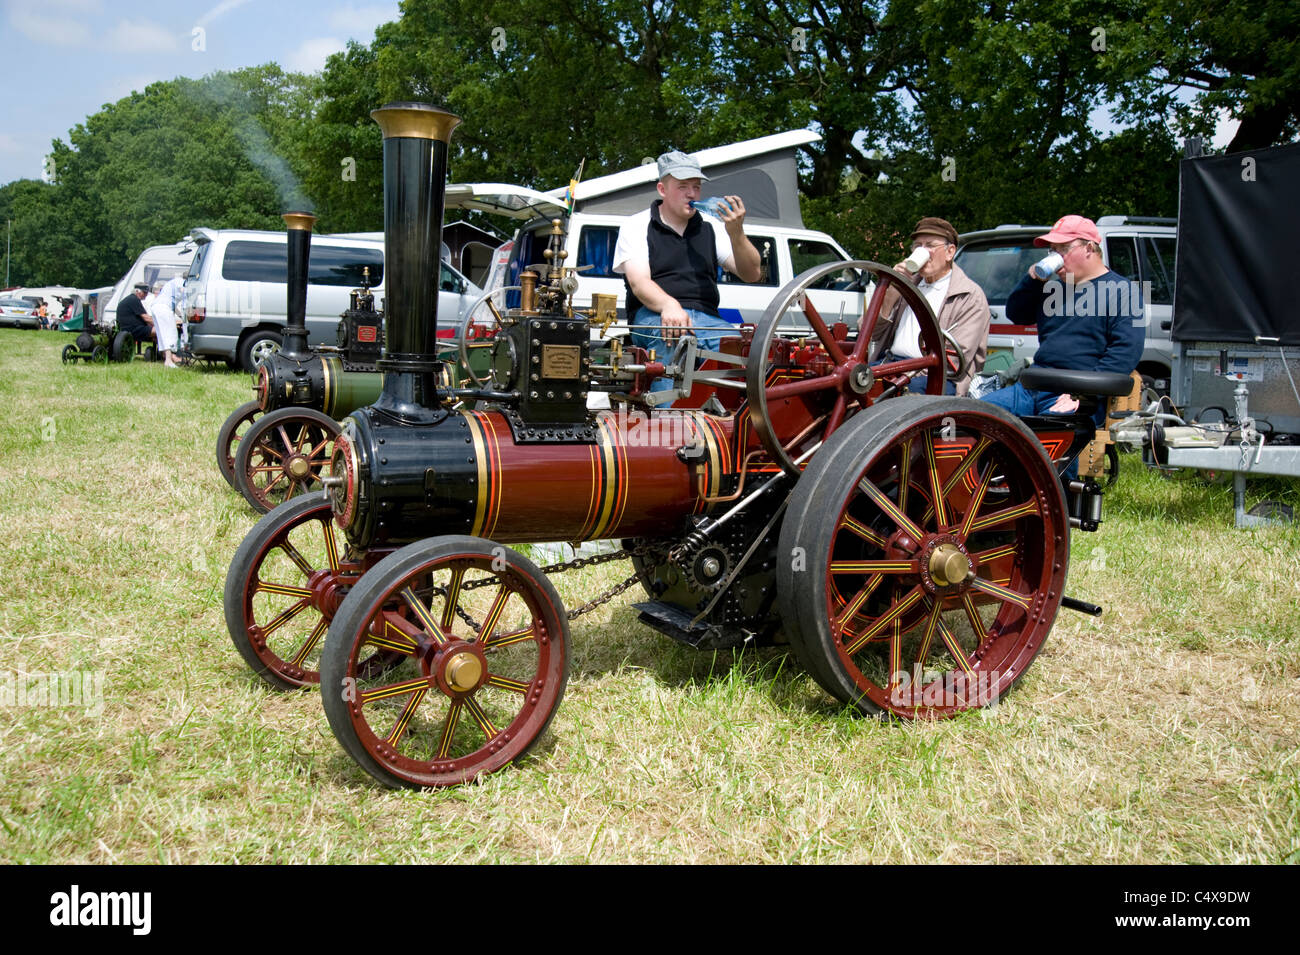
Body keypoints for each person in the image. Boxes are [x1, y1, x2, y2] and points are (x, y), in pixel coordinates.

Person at [612, 149, 762, 396]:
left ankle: (729, 421)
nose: (692, 193)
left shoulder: (712, 225)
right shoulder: (636, 224)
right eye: (683, 187)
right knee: (671, 335)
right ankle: (666, 419)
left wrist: (736, 232)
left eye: (696, 186)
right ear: (662, 189)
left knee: (743, 350)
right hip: (651, 315)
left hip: (706, 318)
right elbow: (639, 283)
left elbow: (752, 273)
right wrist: (669, 305)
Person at [980, 214, 1143, 417]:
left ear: (1089, 248)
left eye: (1063, 249)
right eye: (1052, 251)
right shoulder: (1053, 289)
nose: (1055, 258)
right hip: (1031, 388)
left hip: (1078, 392)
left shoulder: (1123, 291)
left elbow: (1125, 352)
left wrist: (1082, 394)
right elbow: (1017, 314)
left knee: (1047, 433)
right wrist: (1032, 280)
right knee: (971, 414)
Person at [872, 216, 990, 395]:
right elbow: (870, 333)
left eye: (929, 245)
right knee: (843, 384)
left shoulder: (969, 296)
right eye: (917, 246)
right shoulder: (906, 284)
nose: (922, 251)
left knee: (897, 392)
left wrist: (903, 373)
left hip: (934, 375)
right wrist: (892, 291)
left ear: (950, 252)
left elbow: (955, 360)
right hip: (891, 364)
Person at [150, 274, 186, 367]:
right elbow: (183, 291)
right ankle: (168, 360)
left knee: (162, 334)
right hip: (164, 308)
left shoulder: (171, 283)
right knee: (170, 333)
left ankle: (166, 359)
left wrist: (181, 316)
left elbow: (173, 303)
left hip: (156, 307)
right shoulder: (180, 281)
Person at [116, 282, 155, 347]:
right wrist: (160, 325)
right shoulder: (134, 299)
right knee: (159, 331)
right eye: (144, 292)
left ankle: (161, 353)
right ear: (137, 291)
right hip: (133, 329)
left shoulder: (131, 299)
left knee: (155, 330)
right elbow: (146, 318)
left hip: (128, 329)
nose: (146, 294)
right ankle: (165, 353)